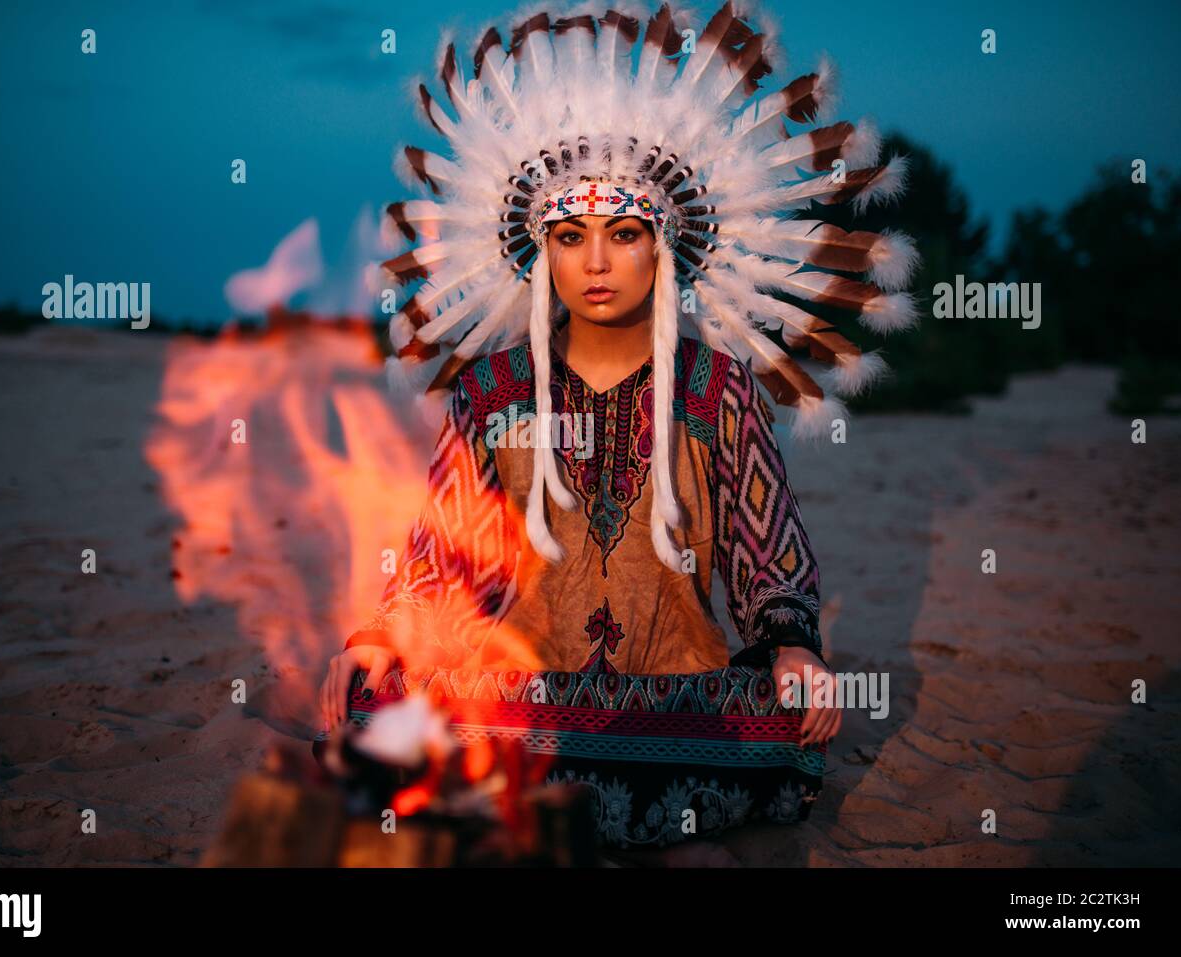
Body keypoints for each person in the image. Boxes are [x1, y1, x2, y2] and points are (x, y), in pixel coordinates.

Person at [318, 1, 918, 850]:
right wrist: (382, 636)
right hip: (518, 698)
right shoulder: (491, 392)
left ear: (664, 244)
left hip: (681, 700)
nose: (595, 262)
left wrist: (792, 647)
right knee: (369, 700)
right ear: (540, 250)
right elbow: (443, 554)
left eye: (625, 232)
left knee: (785, 715)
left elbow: (766, 554)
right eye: (569, 235)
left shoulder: (721, 391)